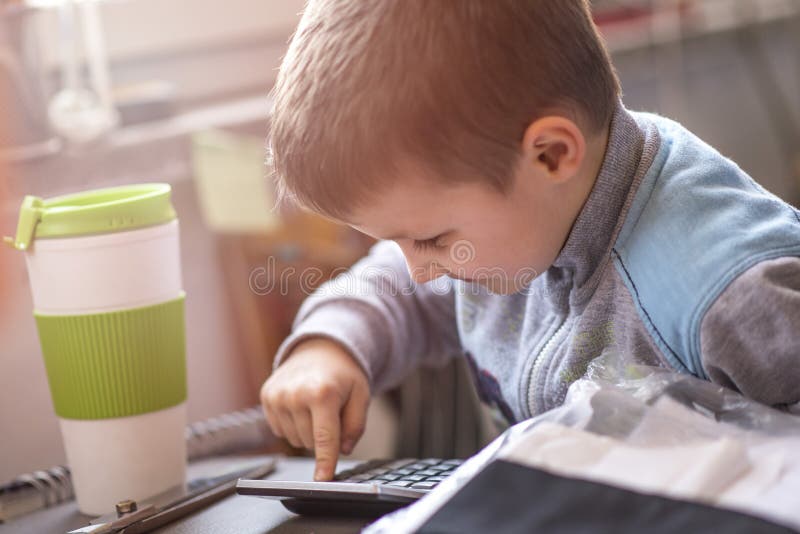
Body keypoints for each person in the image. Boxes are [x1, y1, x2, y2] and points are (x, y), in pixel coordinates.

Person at [260, 0, 800, 482]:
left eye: (431, 238)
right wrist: (328, 345)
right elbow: (396, 285)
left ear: (551, 155)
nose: (421, 268)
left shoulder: (731, 292)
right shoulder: (520, 219)